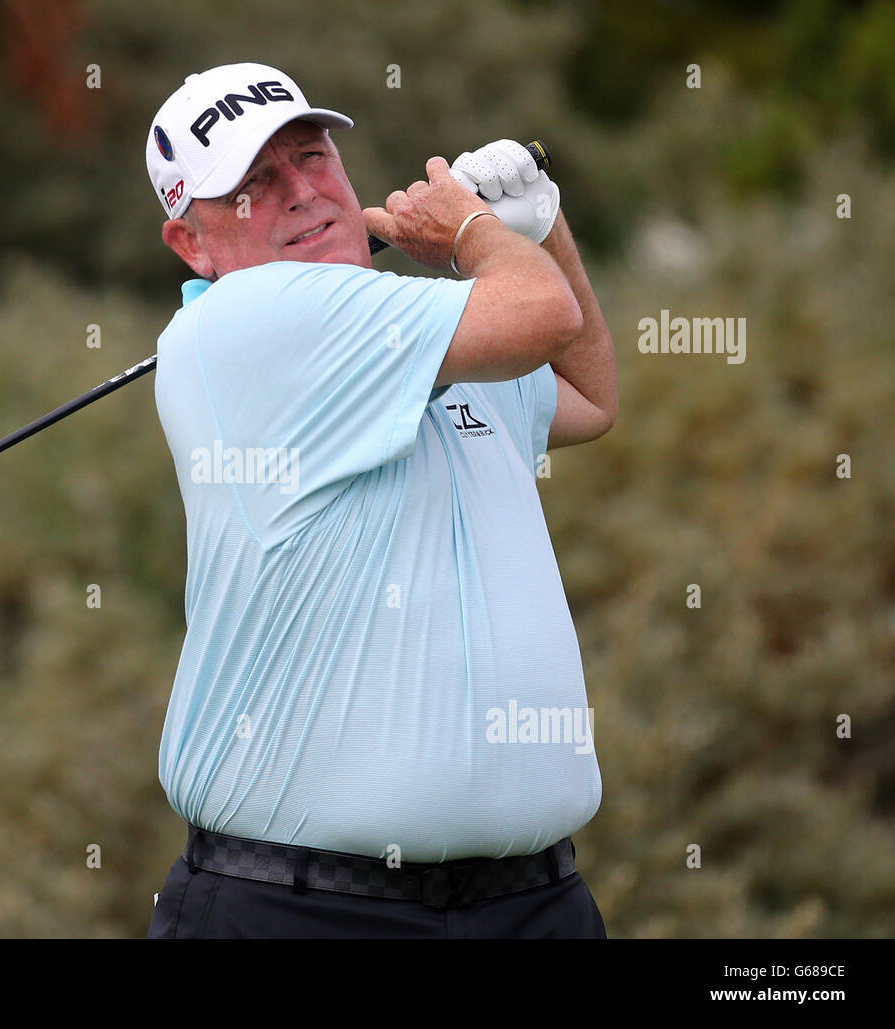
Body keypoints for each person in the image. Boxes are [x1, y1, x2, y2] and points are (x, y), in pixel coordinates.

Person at [144, 62, 617, 939]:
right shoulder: (242, 324)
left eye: (311, 156)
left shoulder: (416, 324)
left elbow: (587, 395)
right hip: (303, 910)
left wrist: (540, 228)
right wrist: (474, 232)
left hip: (532, 904)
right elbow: (541, 315)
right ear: (192, 245)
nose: (300, 190)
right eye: (253, 184)